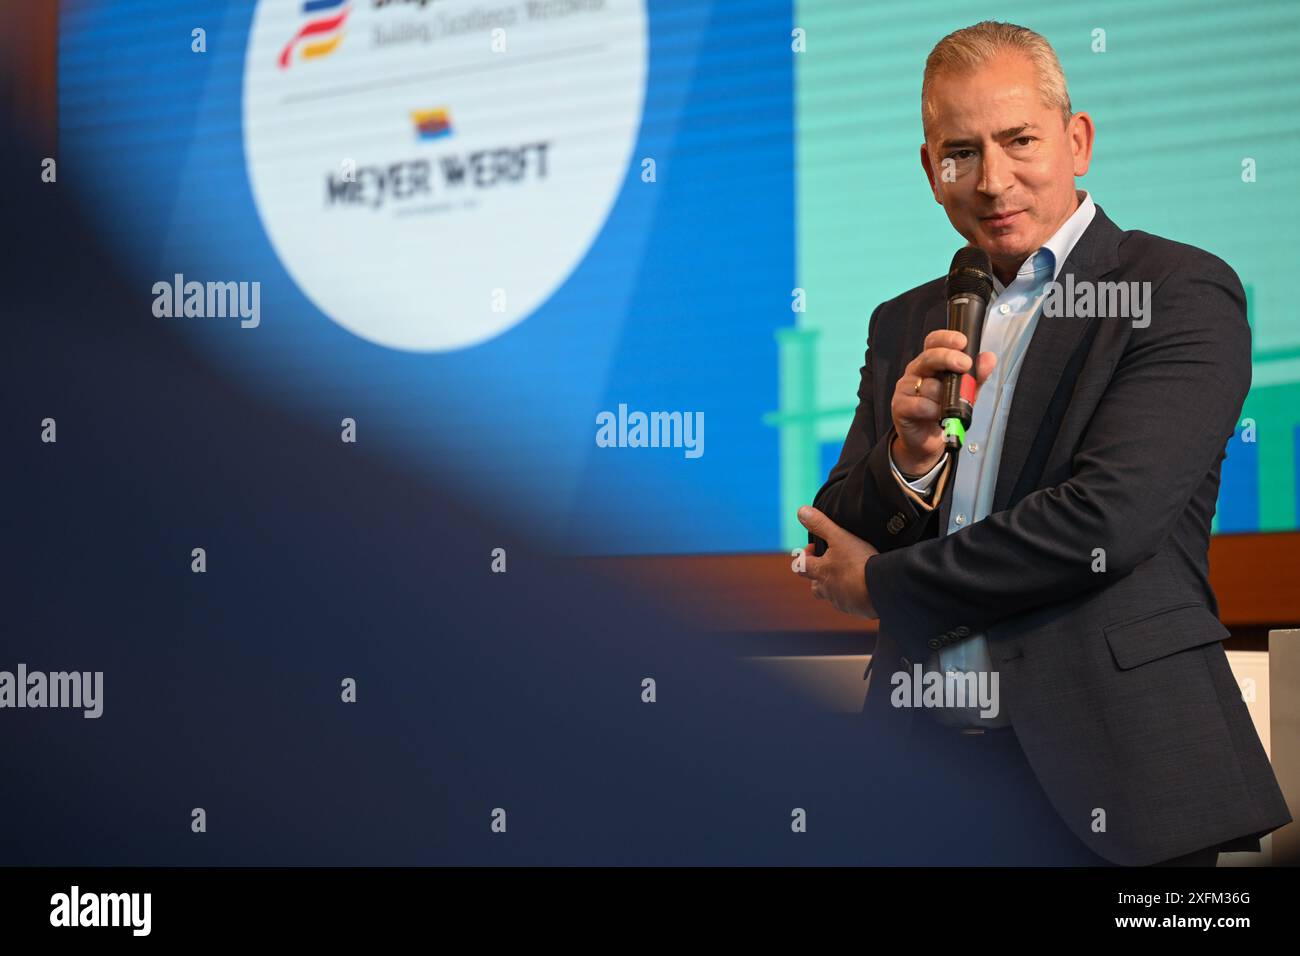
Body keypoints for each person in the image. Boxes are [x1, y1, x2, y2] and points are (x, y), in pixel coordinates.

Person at [795, 20, 1292, 866]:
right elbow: (833, 526)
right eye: (960, 152)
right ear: (930, 171)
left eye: (1019, 140)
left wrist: (883, 584)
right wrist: (908, 463)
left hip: (1117, 777)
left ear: (1077, 140)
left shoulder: (1175, 289)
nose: (992, 180)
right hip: (923, 783)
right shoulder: (905, 319)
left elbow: (1106, 522)